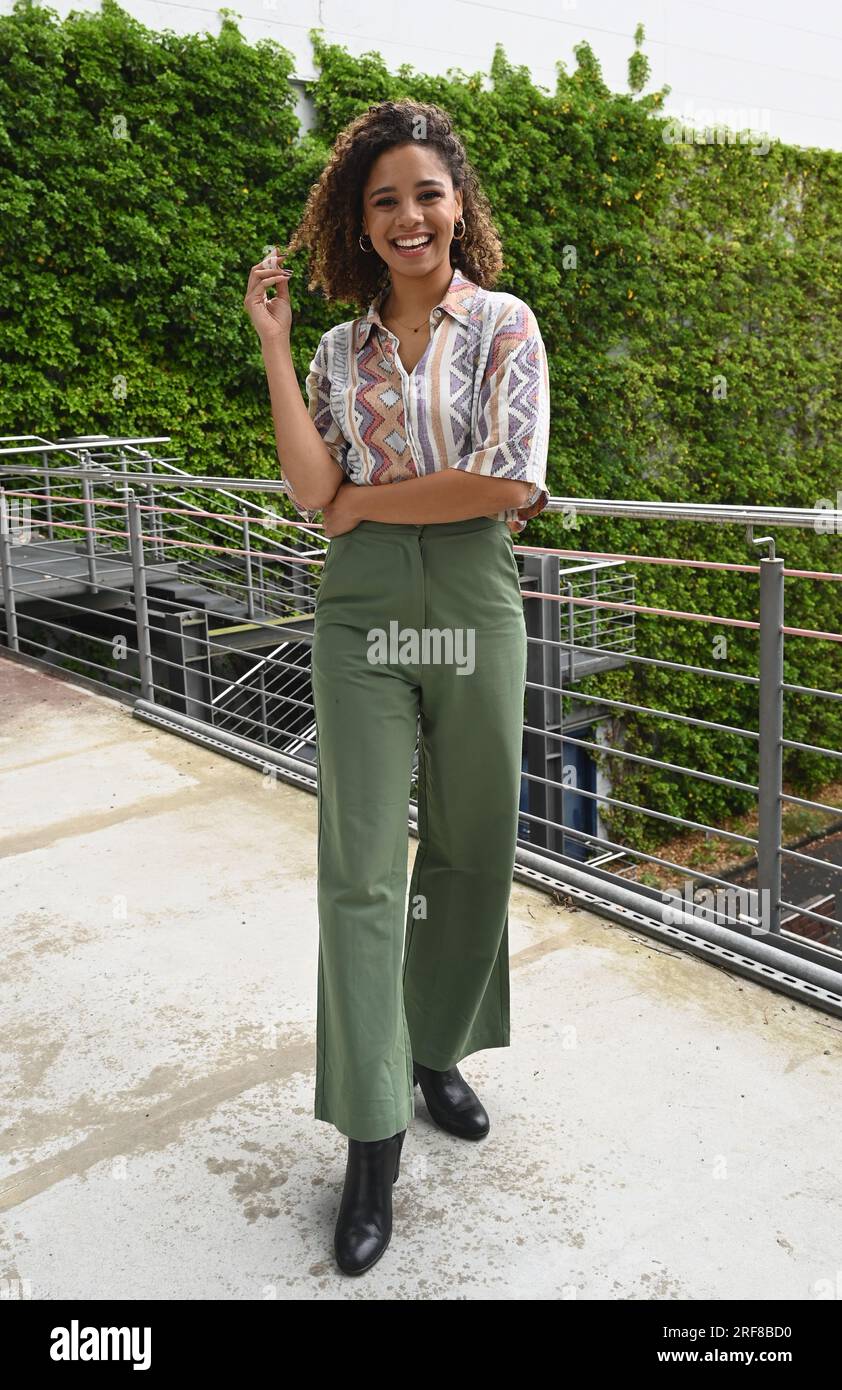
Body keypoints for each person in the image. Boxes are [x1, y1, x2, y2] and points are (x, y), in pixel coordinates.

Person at [244, 98, 550, 1277]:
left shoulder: (505, 327)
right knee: (361, 866)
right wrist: (273, 341)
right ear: (357, 226)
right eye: (383, 200)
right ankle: (372, 1138)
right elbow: (309, 485)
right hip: (364, 607)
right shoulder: (335, 350)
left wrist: (365, 501)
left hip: (470, 593)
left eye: (426, 192)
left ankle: (434, 1053)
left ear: (457, 206)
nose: (408, 214)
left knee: (471, 844)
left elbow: (503, 485)